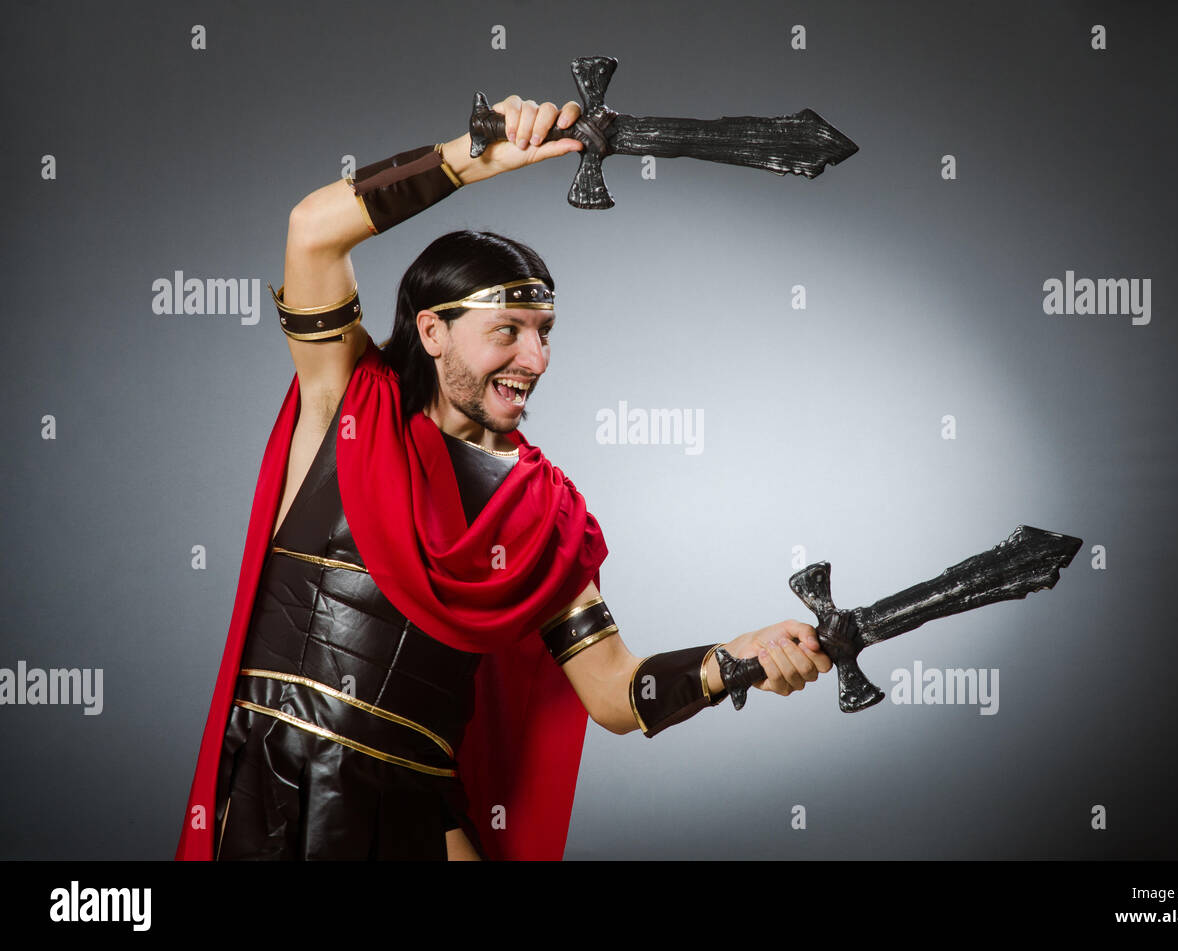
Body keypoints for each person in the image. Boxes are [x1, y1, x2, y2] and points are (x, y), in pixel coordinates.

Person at [175, 95, 833, 862]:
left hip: (418, 815)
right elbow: (312, 230)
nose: (536, 359)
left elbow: (615, 692)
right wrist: (472, 156)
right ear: (432, 330)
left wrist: (732, 659)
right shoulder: (348, 402)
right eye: (508, 331)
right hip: (270, 793)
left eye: (545, 333)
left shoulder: (545, 514)